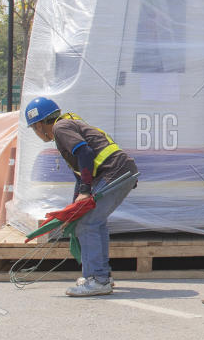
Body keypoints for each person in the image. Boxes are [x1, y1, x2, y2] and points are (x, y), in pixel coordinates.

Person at [23, 97, 139, 298]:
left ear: (41, 124)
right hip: (120, 172)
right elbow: (82, 172)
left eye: (34, 128)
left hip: (114, 172)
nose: (36, 132)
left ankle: (98, 280)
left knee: (88, 224)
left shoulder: (60, 129)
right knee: (93, 221)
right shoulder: (68, 125)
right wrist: (75, 205)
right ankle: (100, 276)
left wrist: (85, 192)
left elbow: (85, 154)